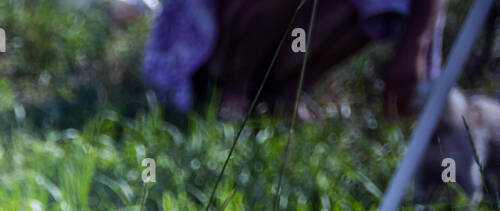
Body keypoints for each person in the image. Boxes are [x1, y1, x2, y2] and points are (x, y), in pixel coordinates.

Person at [143, 0, 448, 118]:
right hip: (221, 36)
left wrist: (415, 48)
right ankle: (233, 90)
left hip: (296, 37)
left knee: (382, 3)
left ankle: (284, 94)